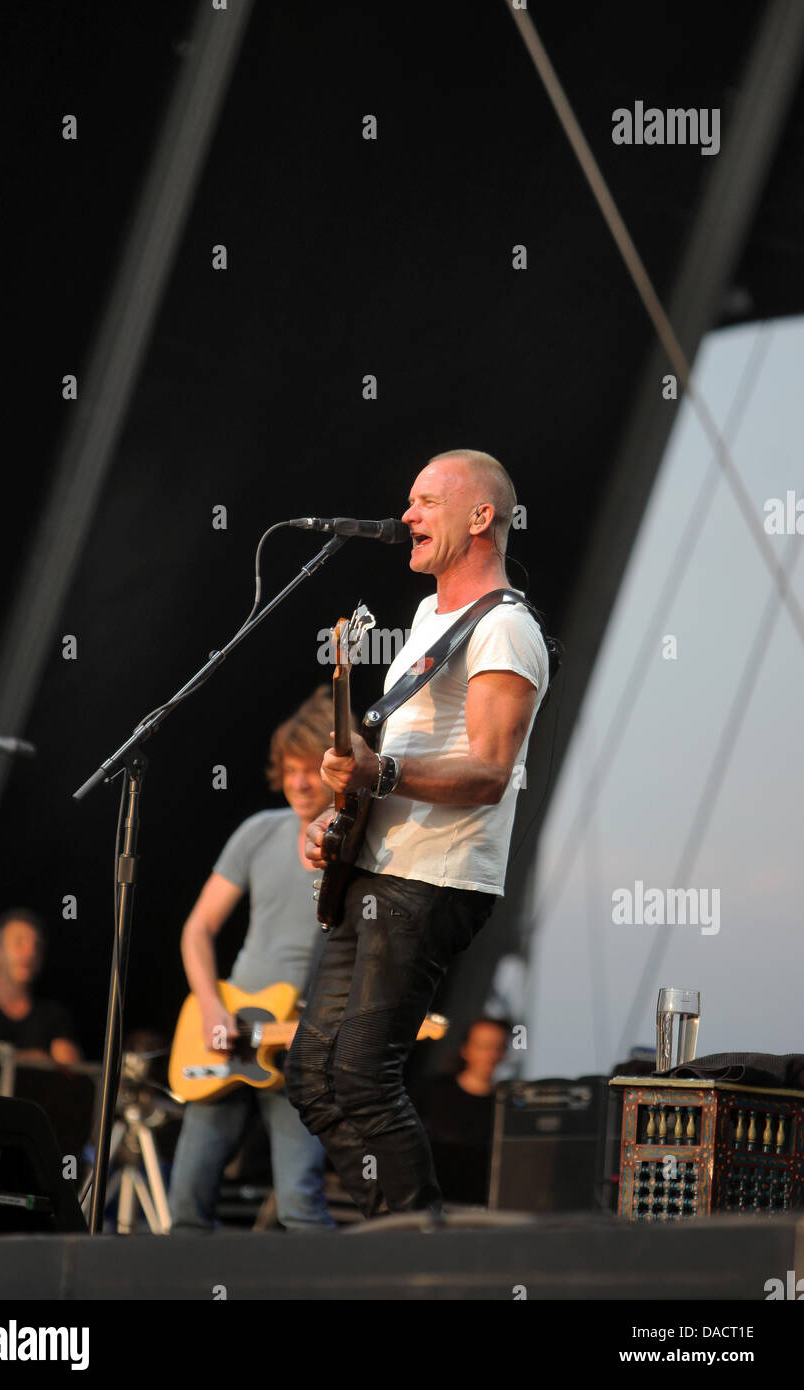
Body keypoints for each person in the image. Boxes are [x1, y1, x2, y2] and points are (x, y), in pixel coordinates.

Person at [286, 448, 549, 1219]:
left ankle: (419, 1254)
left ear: (481, 518)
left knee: (363, 1076)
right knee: (313, 1077)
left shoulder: (505, 629)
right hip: (374, 867)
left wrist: (381, 779)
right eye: (408, 501)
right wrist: (343, 811)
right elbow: (396, 758)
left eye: (427, 501)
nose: (406, 516)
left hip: (433, 879)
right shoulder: (433, 620)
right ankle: (392, 1229)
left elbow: (490, 772)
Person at [168, 688, 341, 1231]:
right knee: (185, 1209)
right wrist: (212, 1010)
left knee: (300, 1205)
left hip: (298, 1047)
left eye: (311, 769)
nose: (298, 782)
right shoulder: (258, 832)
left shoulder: (357, 846)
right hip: (230, 1031)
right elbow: (197, 928)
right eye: (289, 769)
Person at [415, 1016, 511, 1206]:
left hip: (477, 1204)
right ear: (466, 1049)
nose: (490, 1055)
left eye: (498, 1047)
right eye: (484, 1046)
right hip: (431, 1200)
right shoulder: (434, 1091)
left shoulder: (505, 1105)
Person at [0, 908, 82, 1064]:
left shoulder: (53, 1015)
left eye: (36, 946)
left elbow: (70, 1070)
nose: (30, 953)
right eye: (19, 943)